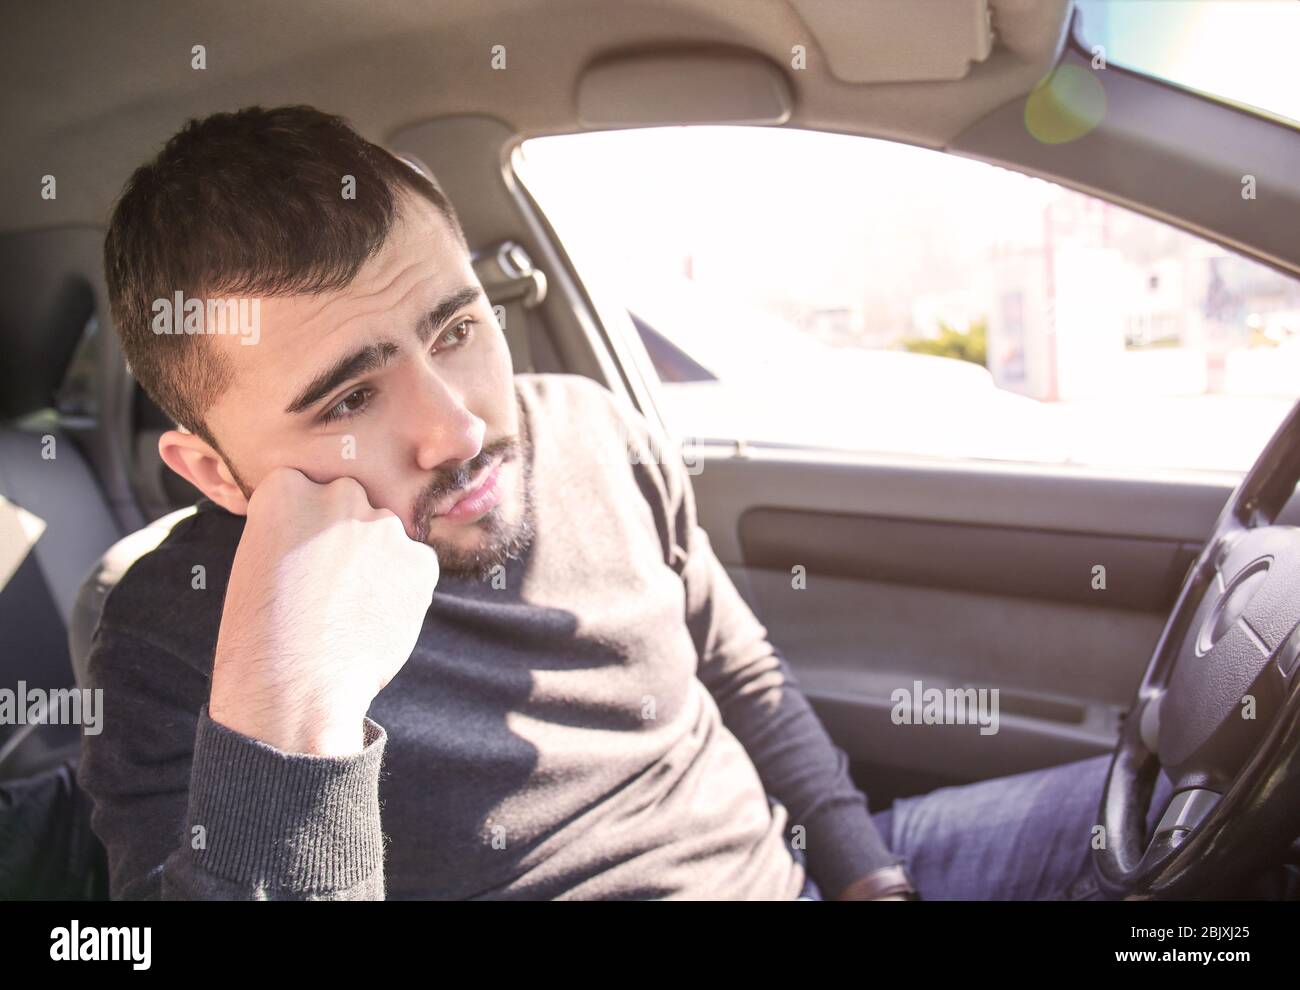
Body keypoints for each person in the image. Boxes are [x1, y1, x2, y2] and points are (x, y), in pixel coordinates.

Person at [78, 104, 1121, 901]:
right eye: (351, 398)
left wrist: (865, 875)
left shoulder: (589, 429)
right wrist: (288, 711)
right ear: (214, 472)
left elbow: (740, 670)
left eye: (455, 330)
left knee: (1163, 811)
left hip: (796, 875)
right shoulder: (172, 637)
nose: (459, 430)